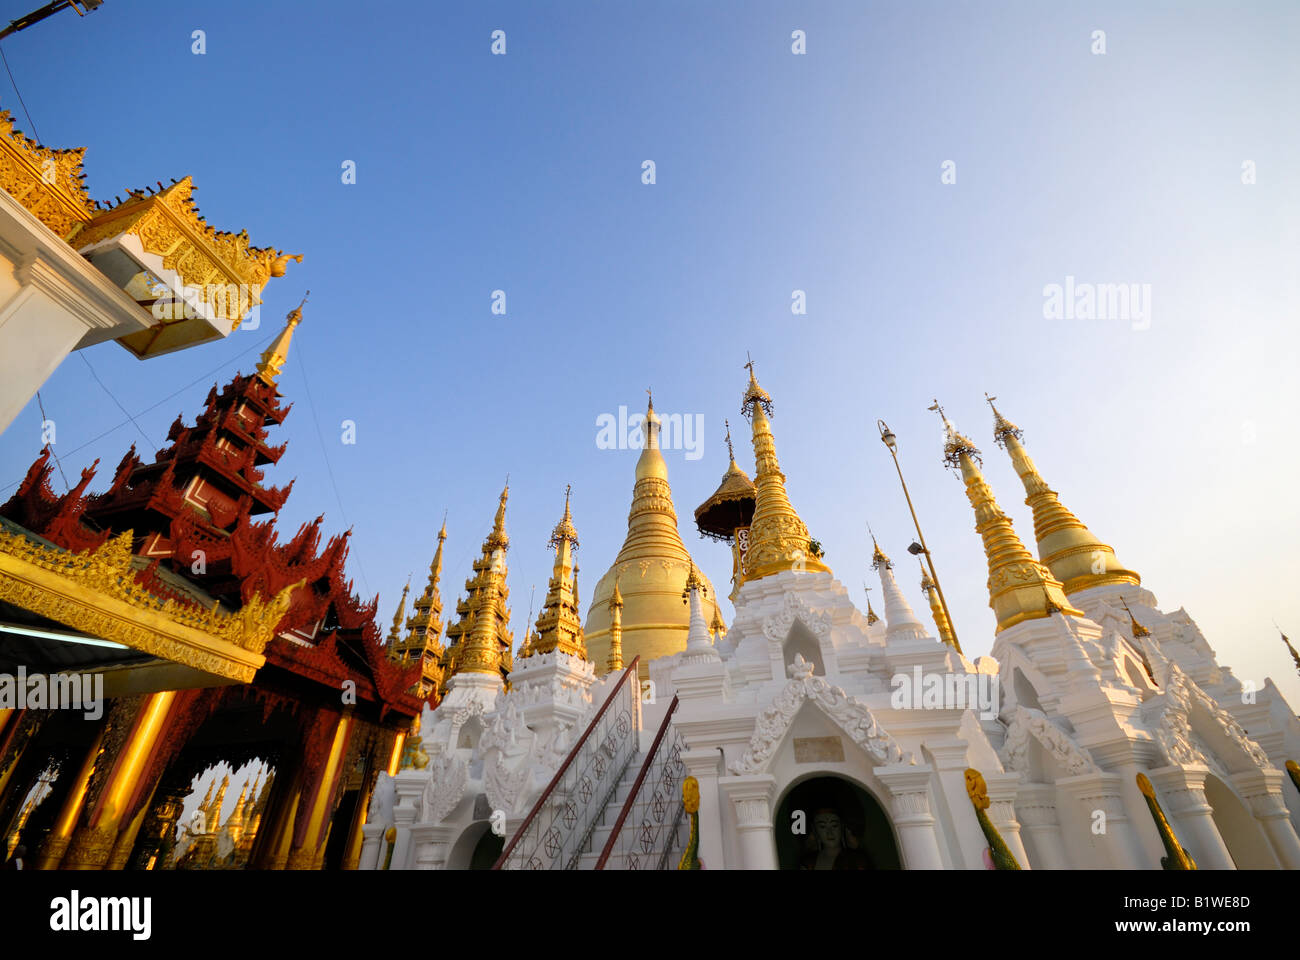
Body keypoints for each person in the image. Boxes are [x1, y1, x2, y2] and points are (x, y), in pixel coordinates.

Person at [800, 808, 872, 870]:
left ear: (842, 826)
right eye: (822, 826)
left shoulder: (858, 860)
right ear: (815, 830)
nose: (829, 833)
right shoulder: (809, 862)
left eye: (834, 825)